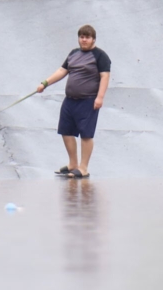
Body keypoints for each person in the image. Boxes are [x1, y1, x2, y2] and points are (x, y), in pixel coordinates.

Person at [36, 25, 110, 178]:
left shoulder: (100, 56)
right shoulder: (73, 54)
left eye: (87, 37)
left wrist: (100, 97)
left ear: (93, 39)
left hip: (88, 101)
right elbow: (62, 71)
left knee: (86, 134)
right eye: (81, 37)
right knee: (66, 132)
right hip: (70, 100)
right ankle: (73, 164)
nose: (84, 40)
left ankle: (83, 168)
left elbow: (105, 76)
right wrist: (45, 83)